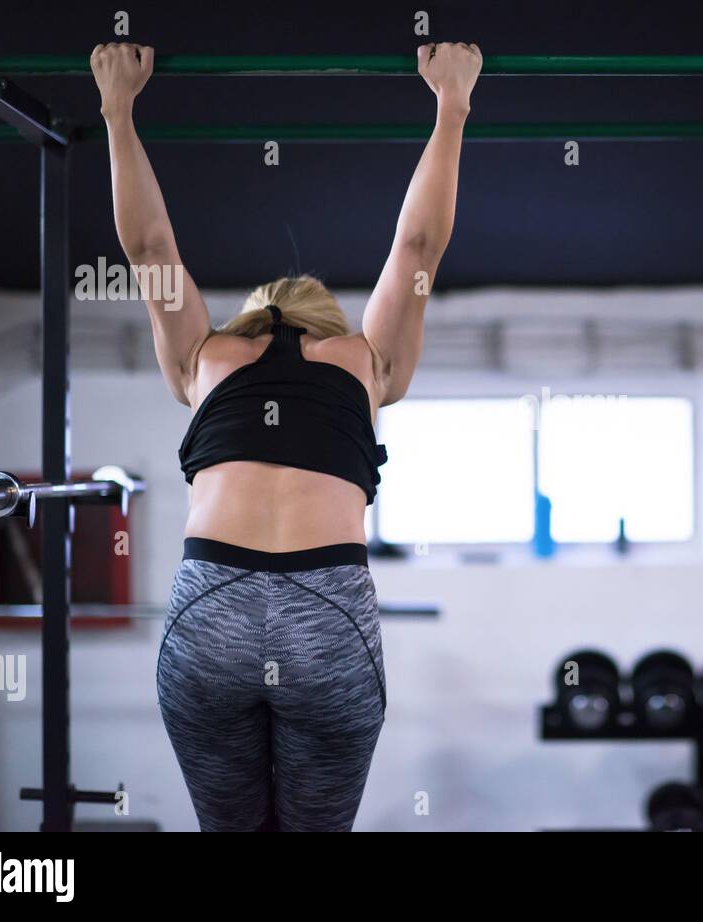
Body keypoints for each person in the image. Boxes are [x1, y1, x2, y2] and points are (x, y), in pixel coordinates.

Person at [91, 40, 481, 830]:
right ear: (324, 321)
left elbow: (149, 249)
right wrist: (451, 104)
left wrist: (116, 109)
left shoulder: (207, 358)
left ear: (251, 318)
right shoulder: (364, 360)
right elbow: (416, 249)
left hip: (212, 613)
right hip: (326, 615)